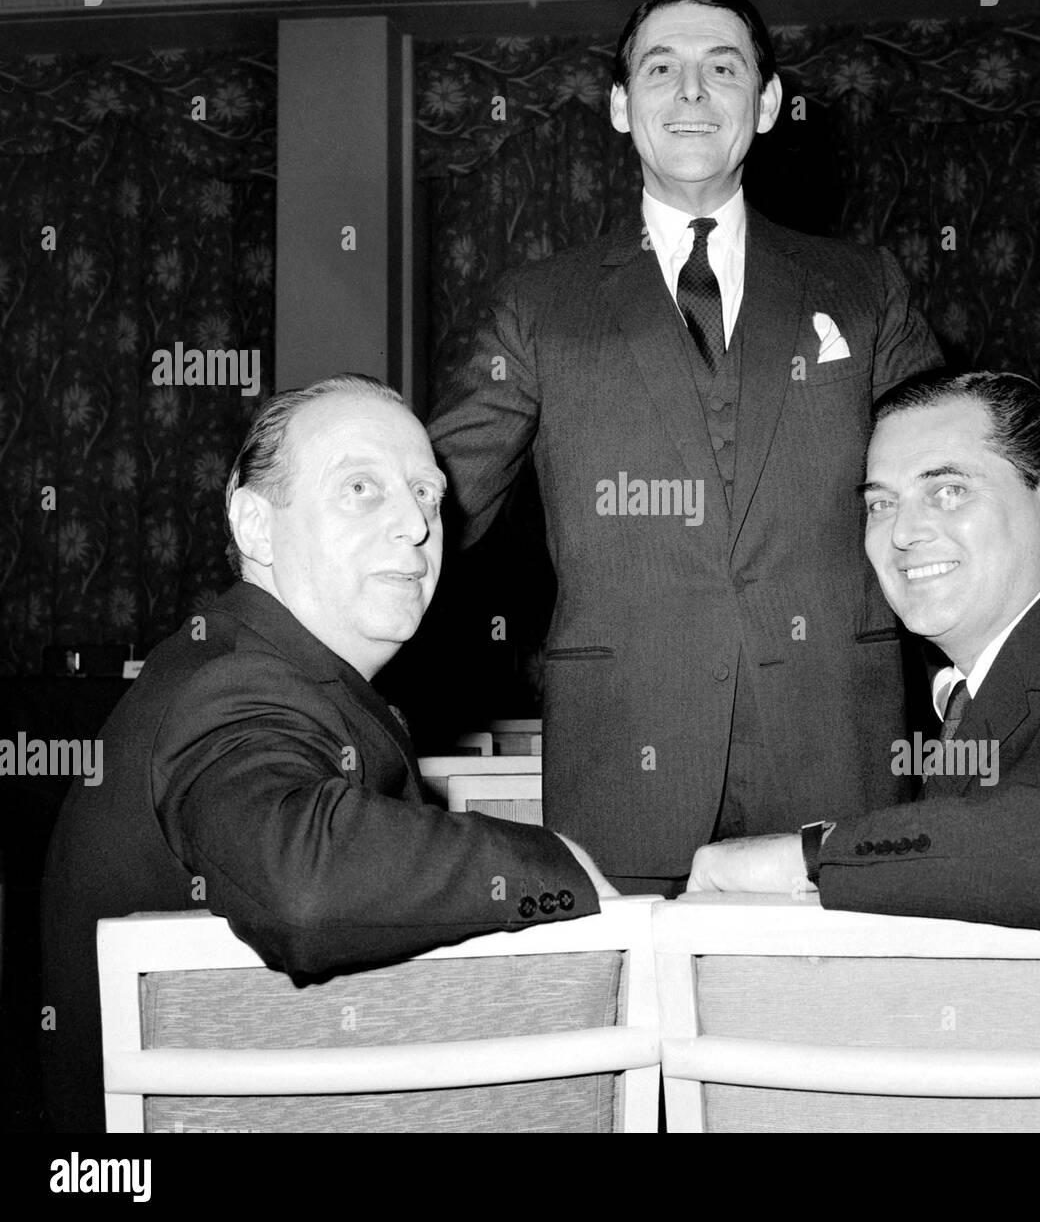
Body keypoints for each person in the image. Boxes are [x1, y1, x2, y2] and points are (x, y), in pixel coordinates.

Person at [427, 0, 942, 893]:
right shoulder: (540, 306)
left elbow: (952, 489)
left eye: (723, 67)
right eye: (661, 69)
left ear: (770, 103)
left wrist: (988, 672)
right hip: (625, 756)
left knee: (837, 1029)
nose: (693, 93)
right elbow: (431, 501)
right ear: (623, 107)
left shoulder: (864, 286)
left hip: (839, 752)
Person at [41, 373, 613, 1133]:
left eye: (426, 494)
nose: (415, 523)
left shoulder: (272, 671)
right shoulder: (235, 684)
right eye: (360, 489)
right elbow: (301, 886)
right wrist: (560, 867)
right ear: (255, 526)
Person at [688, 371, 1040, 941]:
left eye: (948, 491)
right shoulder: (943, 692)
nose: (902, 533)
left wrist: (809, 858)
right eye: (881, 504)